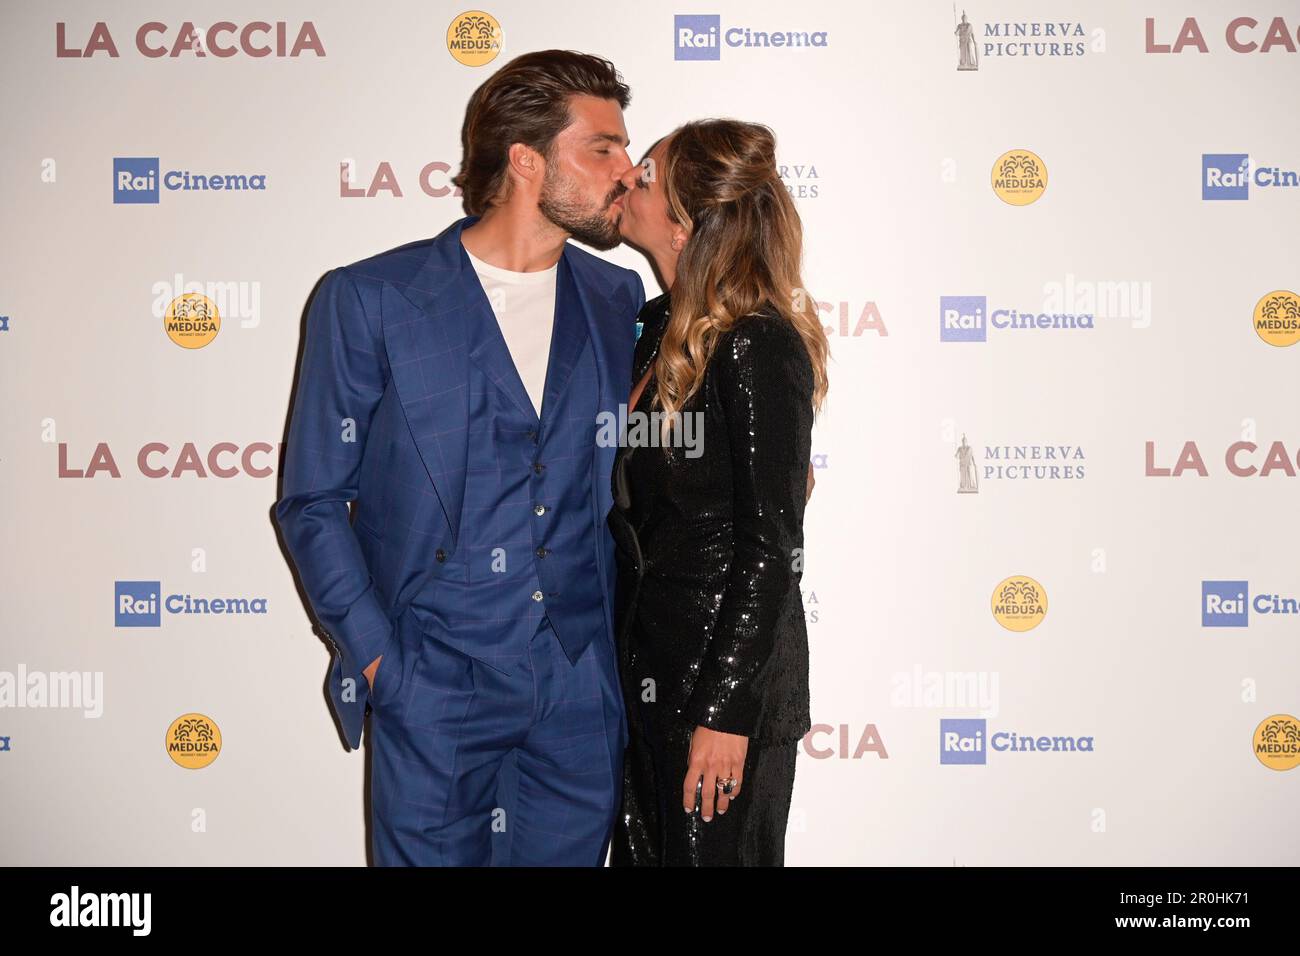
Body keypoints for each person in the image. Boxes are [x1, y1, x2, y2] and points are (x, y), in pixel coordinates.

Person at [274, 50, 645, 866]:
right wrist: (381, 661)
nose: (629, 169)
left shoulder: (618, 300)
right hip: (433, 676)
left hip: (578, 688)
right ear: (525, 160)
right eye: (604, 149)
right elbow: (311, 501)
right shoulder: (372, 297)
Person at [607, 119, 829, 866]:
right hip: (650, 670)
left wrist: (725, 711)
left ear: (684, 219)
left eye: (644, 174)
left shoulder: (756, 342)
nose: (624, 182)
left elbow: (771, 546)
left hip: (718, 691)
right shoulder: (657, 331)